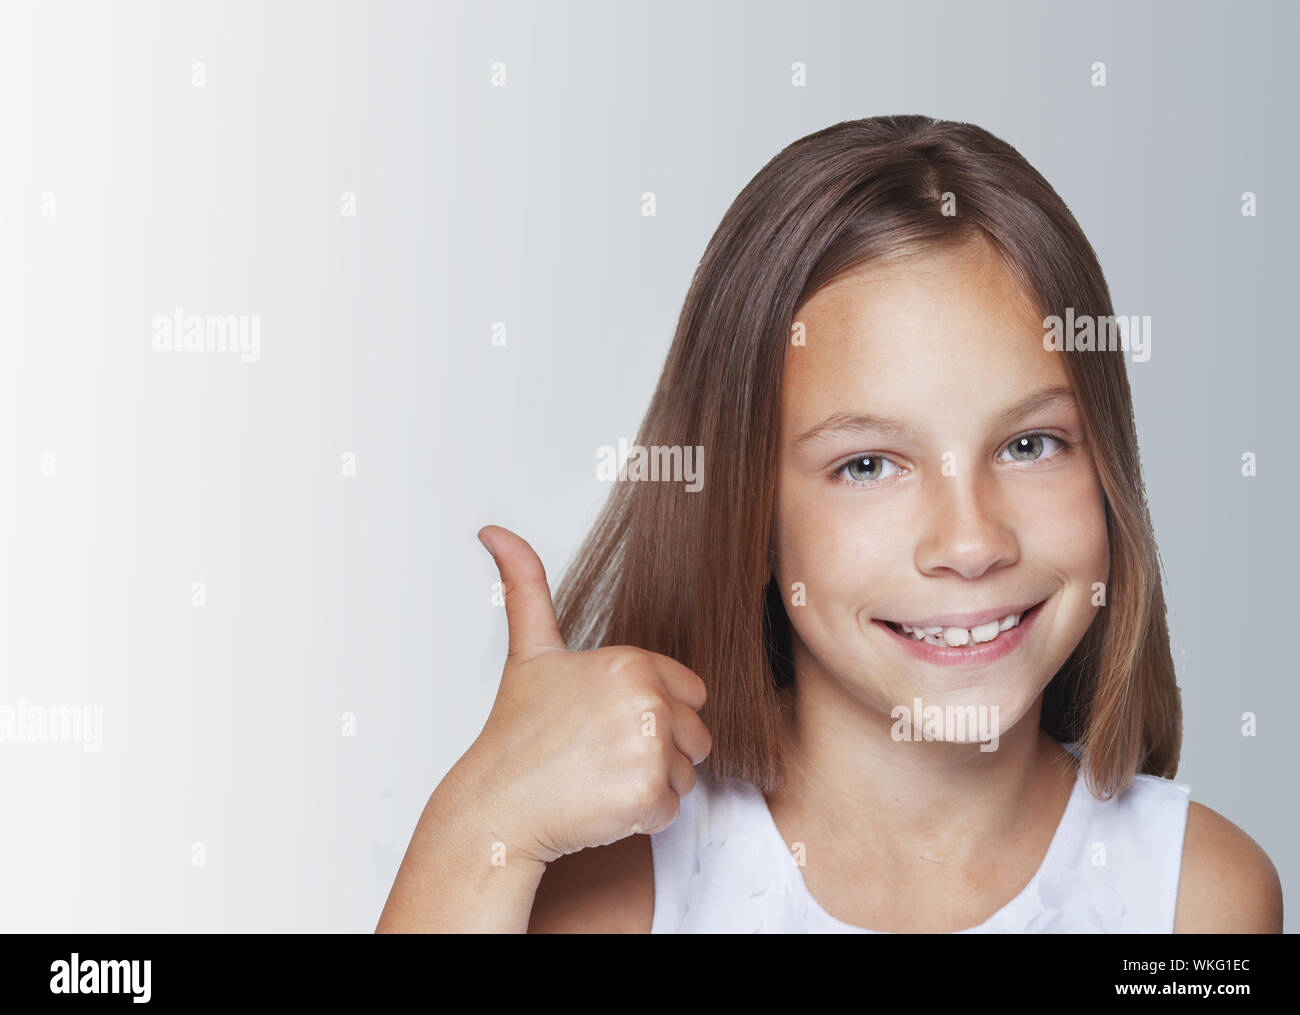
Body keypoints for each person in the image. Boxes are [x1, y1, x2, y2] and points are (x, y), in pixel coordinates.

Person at [377, 115, 1282, 933]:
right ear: (748, 513)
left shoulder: (1197, 901)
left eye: (1030, 444)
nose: (971, 542)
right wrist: (483, 819)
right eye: (867, 465)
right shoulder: (620, 883)